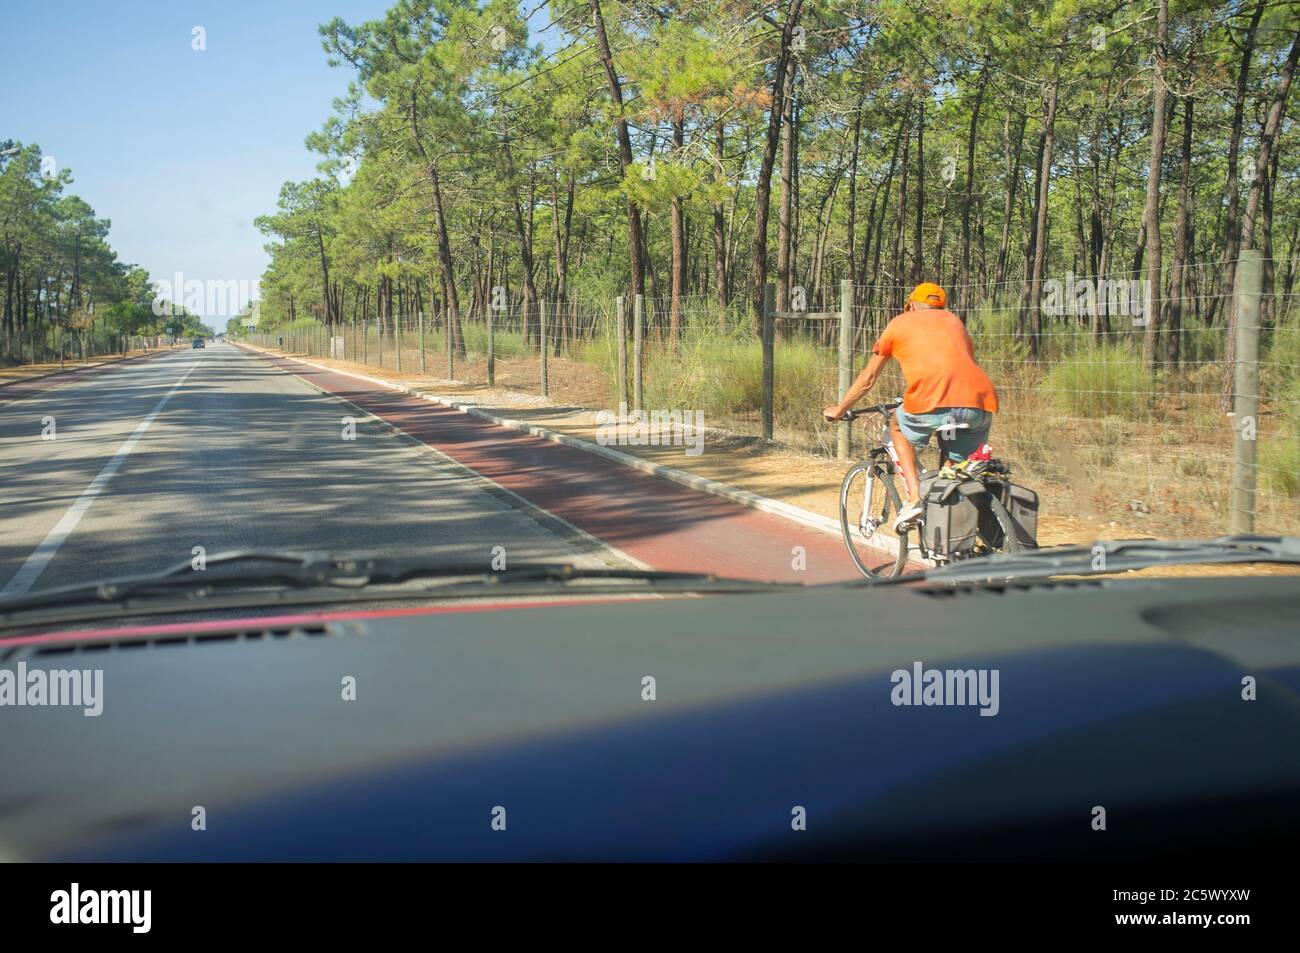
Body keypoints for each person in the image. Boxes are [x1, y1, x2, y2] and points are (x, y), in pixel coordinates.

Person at [823, 282, 998, 532]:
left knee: (897, 426)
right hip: (979, 404)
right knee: (954, 473)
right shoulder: (954, 322)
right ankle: (957, 539)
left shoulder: (900, 322)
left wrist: (840, 409)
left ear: (912, 305)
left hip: (932, 401)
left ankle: (915, 499)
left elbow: (868, 378)